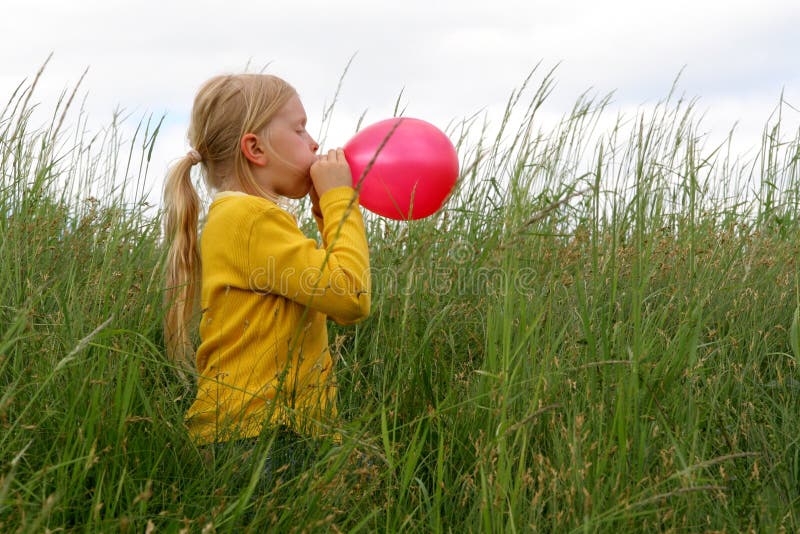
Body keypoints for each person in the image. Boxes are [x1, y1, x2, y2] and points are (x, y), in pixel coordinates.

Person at [161, 74, 371, 472]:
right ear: (255, 148)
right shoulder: (251, 219)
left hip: (256, 433)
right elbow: (352, 296)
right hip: (264, 438)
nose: (313, 142)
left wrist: (326, 213)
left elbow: (338, 300)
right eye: (299, 128)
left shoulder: (242, 219)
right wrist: (340, 199)